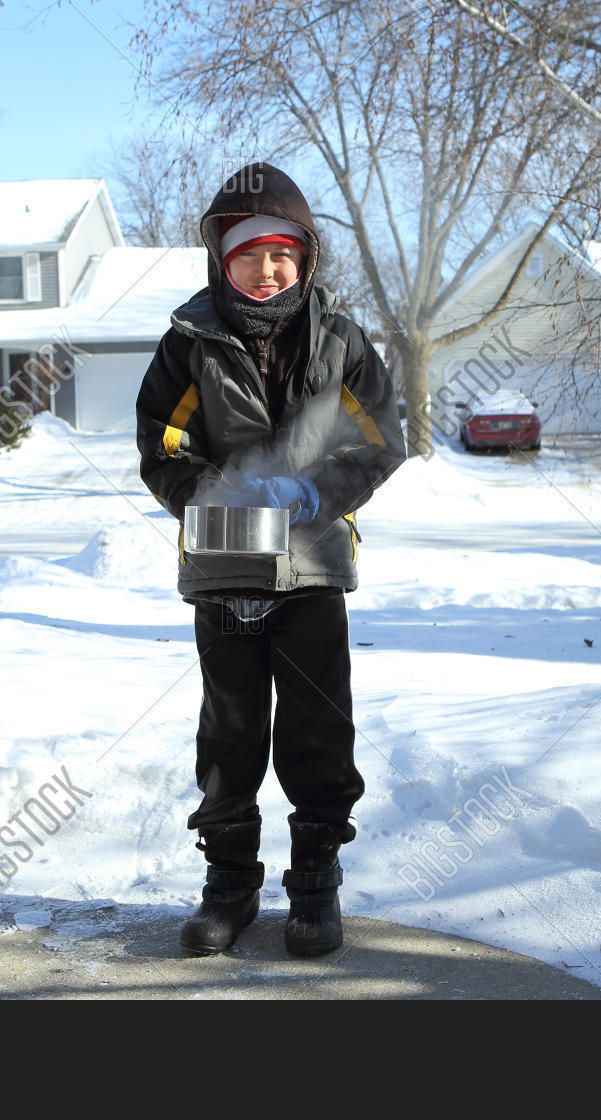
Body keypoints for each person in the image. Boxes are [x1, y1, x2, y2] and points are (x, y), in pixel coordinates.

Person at [135, 162, 404, 957]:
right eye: (249, 254)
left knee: (320, 732)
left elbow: (381, 439)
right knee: (231, 733)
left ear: (306, 259)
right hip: (224, 569)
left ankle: (314, 891)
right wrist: (219, 495)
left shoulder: (343, 342)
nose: (266, 269)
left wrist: (316, 492)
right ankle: (231, 889)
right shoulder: (188, 344)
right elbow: (163, 446)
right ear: (223, 257)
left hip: (313, 567)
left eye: (282, 254)